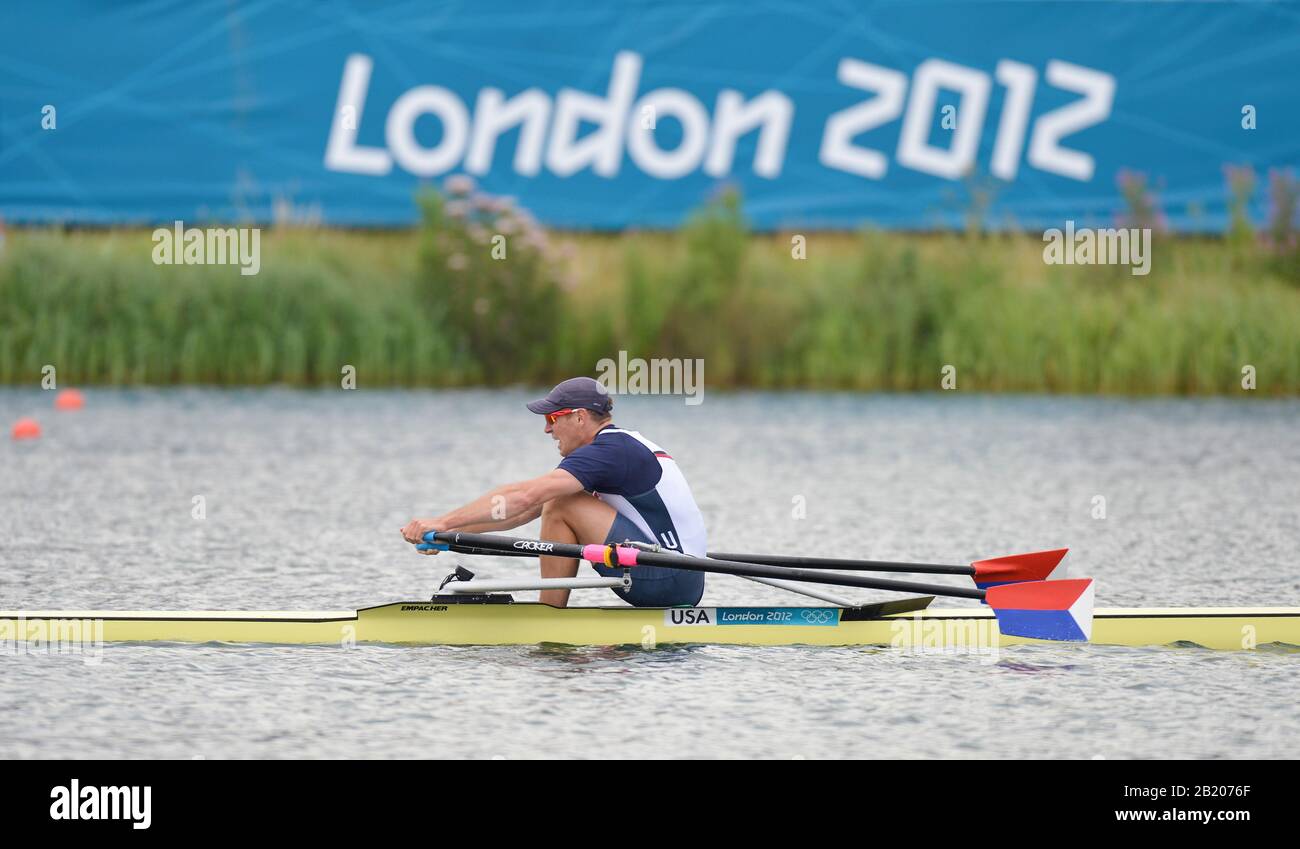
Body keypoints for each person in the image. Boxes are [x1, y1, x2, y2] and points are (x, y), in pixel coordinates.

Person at [401, 377, 707, 608]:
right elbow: (519, 512)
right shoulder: (616, 447)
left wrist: (441, 521)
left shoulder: (610, 451)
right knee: (555, 501)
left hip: (670, 579)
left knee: (560, 504)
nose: (547, 429)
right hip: (679, 578)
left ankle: (549, 614)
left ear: (580, 417)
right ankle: (550, 614)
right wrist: (447, 533)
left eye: (552, 418)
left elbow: (524, 496)